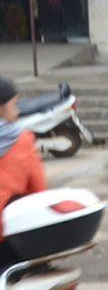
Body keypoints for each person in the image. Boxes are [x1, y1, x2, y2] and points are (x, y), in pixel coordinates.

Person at [0, 78, 47, 256]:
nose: (18, 111)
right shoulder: (22, 140)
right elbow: (38, 190)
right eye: (14, 104)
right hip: (7, 233)